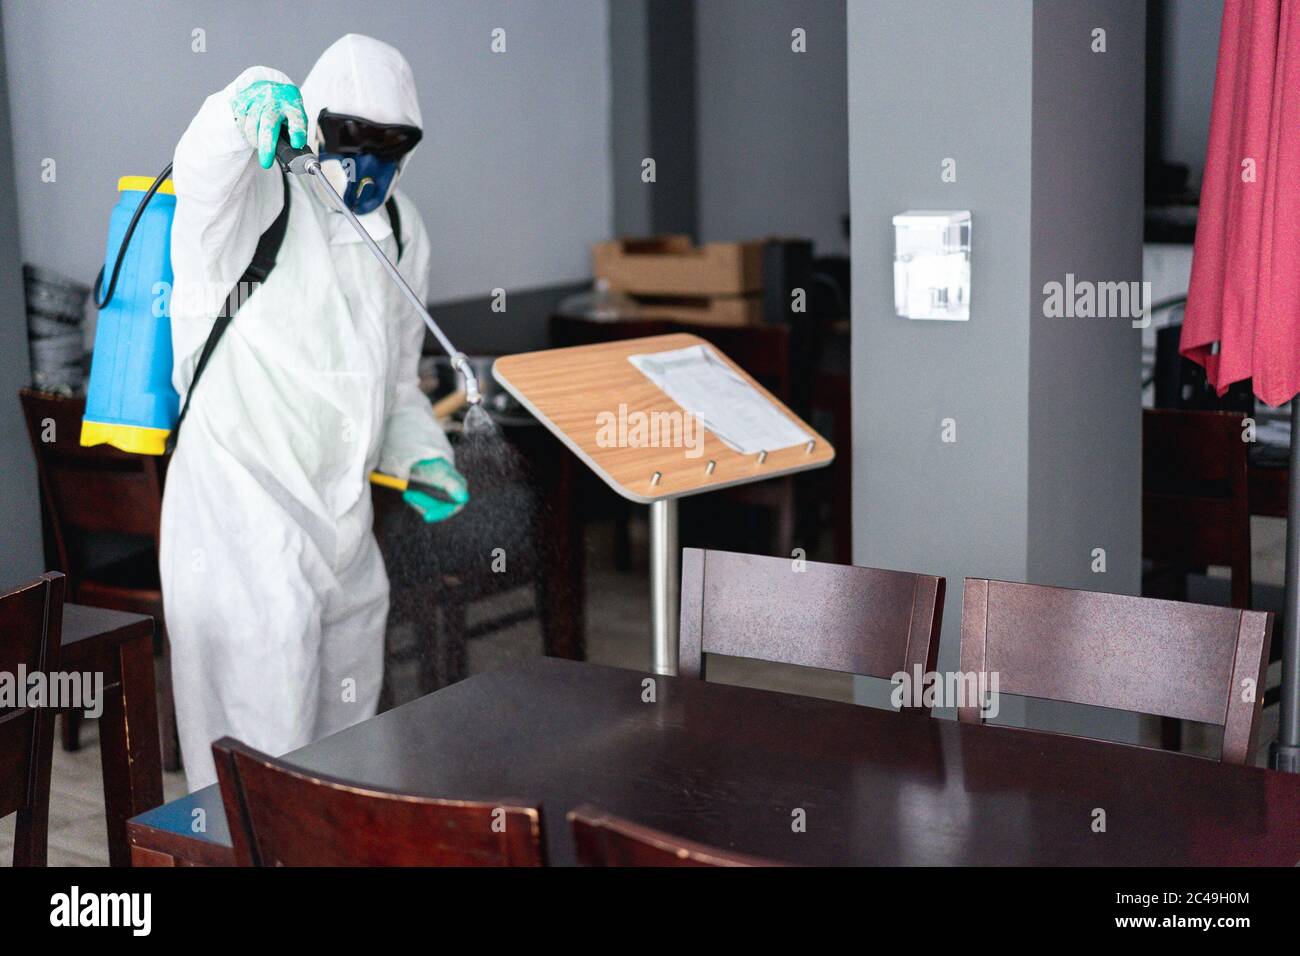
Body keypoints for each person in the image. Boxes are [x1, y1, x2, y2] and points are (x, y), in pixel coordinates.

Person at [161, 34, 468, 791]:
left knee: (348, 747)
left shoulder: (401, 229)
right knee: (256, 758)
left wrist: (420, 450)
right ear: (314, 123)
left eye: (390, 144)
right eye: (351, 136)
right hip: (241, 519)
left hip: (344, 527)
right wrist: (244, 102)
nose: (369, 163)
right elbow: (203, 171)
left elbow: (396, 378)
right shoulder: (256, 200)